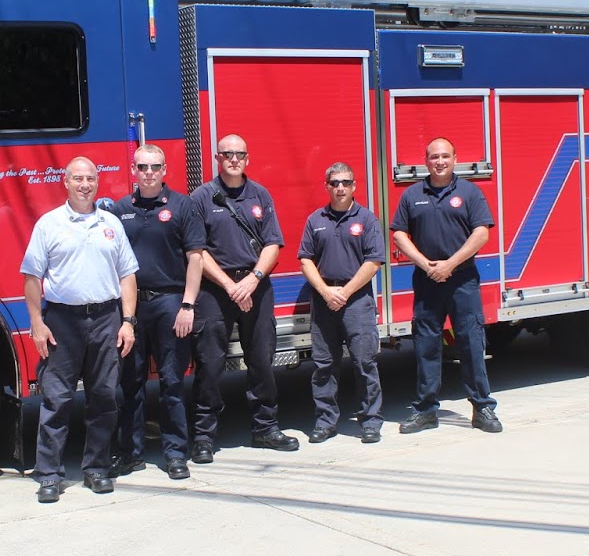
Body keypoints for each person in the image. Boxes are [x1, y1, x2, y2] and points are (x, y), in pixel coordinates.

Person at [20, 156, 140, 503]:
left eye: (90, 178)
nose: (84, 185)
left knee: (104, 399)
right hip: (62, 322)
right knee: (56, 400)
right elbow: (32, 277)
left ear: (97, 182)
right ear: (65, 182)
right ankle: (49, 475)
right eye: (77, 179)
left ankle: (97, 469)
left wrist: (128, 322)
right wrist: (37, 324)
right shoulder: (49, 224)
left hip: (106, 319)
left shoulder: (111, 224)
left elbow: (127, 275)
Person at [190, 134, 299, 461]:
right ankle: (204, 436)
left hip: (255, 285)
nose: (233, 159)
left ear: (247, 158)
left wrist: (251, 280)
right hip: (215, 288)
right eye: (227, 154)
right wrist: (229, 285)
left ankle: (265, 428)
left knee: (262, 359)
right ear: (217, 158)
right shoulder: (201, 197)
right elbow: (197, 250)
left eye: (239, 154)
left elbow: (272, 244)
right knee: (210, 363)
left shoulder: (260, 194)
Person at [390, 137, 502, 434]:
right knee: (427, 346)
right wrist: (426, 264)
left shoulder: (469, 192)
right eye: (434, 157)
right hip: (427, 281)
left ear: (455, 158)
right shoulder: (412, 194)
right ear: (425, 161)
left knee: (471, 343)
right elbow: (399, 234)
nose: (439, 161)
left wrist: (450, 264)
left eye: (445, 156)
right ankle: (426, 411)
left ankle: (482, 407)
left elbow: (481, 234)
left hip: (462, 280)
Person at [110, 143, 206, 481]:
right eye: (142, 167)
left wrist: (188, 305)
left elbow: (196, 258)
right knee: (131, 384)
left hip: (171, 305)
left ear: (165, 170)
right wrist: (125, 317)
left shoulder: (183, 206)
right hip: (133, 308)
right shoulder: (119, 210)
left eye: (155, 167)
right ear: (133, 170)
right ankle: (130, 453)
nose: (148, 173)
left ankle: (176, 453)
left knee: (172, 382)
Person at [298, 163, 386, 444]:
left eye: (346, 182)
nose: (340, 188)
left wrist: (344, 293)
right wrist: (326, 291)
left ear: (354, 186)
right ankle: (326, 421)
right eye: (334, 182)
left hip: (357, 301)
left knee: (364, 363)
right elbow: (306, 259)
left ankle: (370, 421)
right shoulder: (315, 220)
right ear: (327, 186)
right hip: (324, 301)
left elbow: (373, 262)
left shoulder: (368, 219)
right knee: (324, 365)